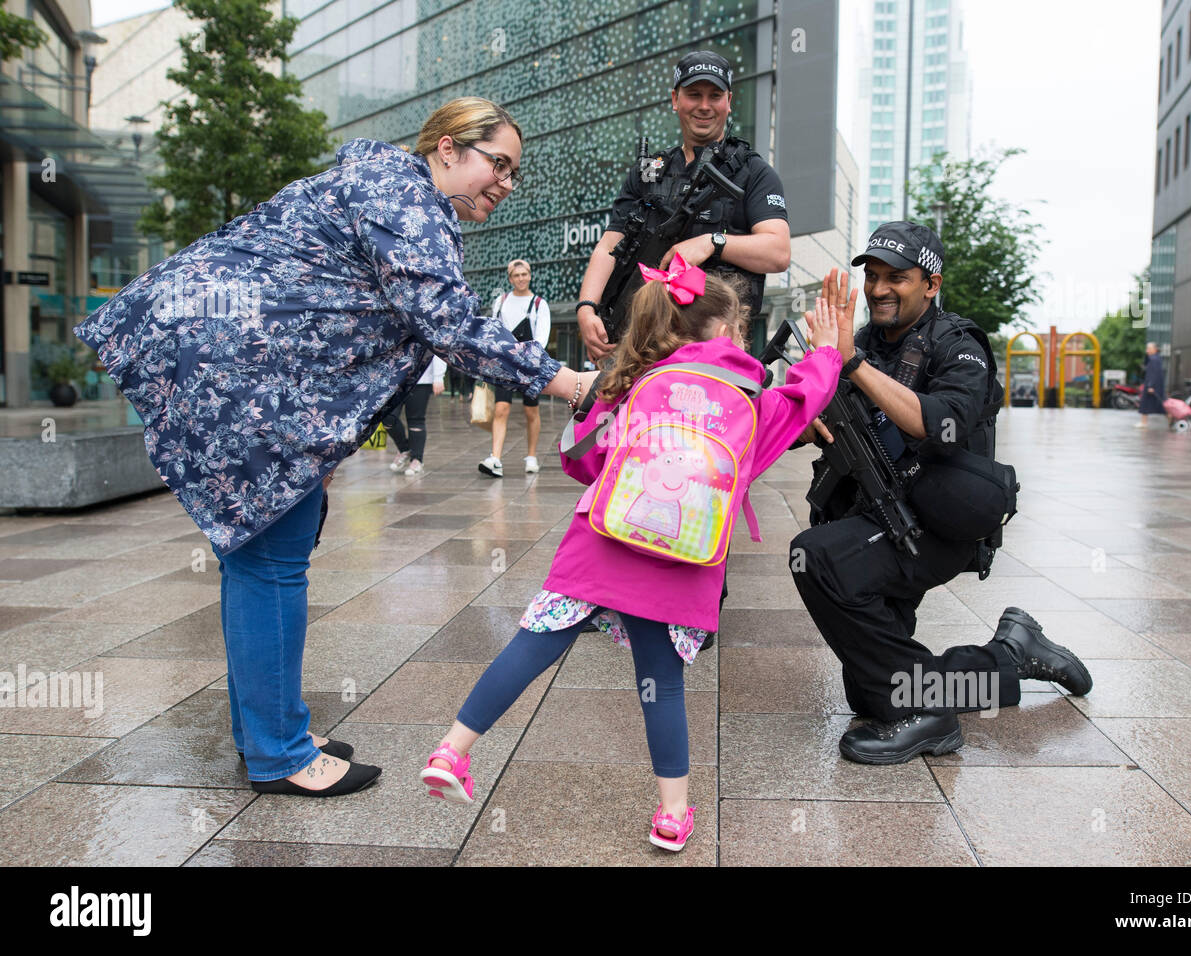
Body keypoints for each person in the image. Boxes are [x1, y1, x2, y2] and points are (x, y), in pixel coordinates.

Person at [75, 97, 598, 798]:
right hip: (240, 372)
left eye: (514, 173)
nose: (503, 183)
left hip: (241, 368)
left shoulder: (390, 189)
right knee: (270, 560)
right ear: (447, 148)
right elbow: (449, 324)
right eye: (496, 163)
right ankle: (278, 753)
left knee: (264, 557)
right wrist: (574, 384)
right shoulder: (405, 200)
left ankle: (273, 729)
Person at [419, 263, 845, 851]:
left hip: (600, 547)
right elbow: (802, 400)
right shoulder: (751, 401)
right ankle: (672, 816)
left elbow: (583, 461)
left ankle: (453, 750)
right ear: (724, 330)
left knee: (532, 643)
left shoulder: (632, 380)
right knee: (660, 684)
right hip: (681, 567)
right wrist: (826, 353)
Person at [787, 222, 1093, 764]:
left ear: (931, 283)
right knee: (872, 690)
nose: (880, 288)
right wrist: (813, 411)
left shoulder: (959, 345)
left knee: (816, 558)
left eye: (897, 277)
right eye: (874, 276)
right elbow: (822, 418)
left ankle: (929, 720)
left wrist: (851, 367)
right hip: (879, 510)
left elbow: (944, 423)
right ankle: (1010, 654)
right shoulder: (863, 343)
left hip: (938, 521)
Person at [574, 50, 791, 363]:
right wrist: (586, 308)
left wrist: (711, 244)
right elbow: (610, 245)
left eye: (714, 95)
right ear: (675, 99)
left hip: (716, 352)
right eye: (693, 95)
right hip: (645, 344)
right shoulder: (649, 171)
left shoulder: (754, 172)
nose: (704, 106)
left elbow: (778, 252)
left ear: (729, 101)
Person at [478, 259, 551, 477]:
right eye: (516, 275)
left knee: (531, 411)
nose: (521, 278)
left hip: (530, 365)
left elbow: (542, 338)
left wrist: (528, 359)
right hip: (505, 364)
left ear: (530, 276)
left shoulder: (539, 304)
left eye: (524, 274)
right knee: (501, 409)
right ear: (510, 278)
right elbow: (495, 329)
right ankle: (496, 458)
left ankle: (531, 456)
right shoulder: (501, 302)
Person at [386, 354, 445, 476]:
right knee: (387, 417)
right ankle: (404, 449)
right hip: (395, 378)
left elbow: (437, 346)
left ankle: (417, 459)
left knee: (416, 420)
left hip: (421, 378)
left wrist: (438, 377)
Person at [1135, 342, 1165, 428]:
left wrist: (1151, 385)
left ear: (1155, 349)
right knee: (1159, 404)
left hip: (1152, 385)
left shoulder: (1154, 359)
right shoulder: (1155, 358)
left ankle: (1144, 423)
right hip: (1155, 385)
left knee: (1147, 403)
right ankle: (1169, 418)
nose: (1147, 350)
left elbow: (1154, 373)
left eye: (1149, 349)